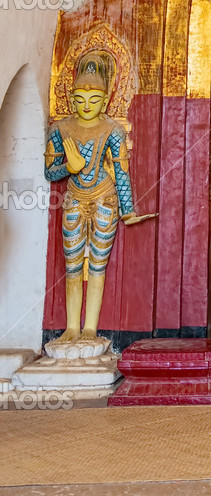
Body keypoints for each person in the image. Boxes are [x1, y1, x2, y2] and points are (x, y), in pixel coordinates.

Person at [45, 50, 150, 342]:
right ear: (72, 98)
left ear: (105, 100)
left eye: (93, 100)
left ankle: (90, 327)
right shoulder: (61, 129)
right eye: (79, 100)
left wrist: (127, 209)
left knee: (98, 265)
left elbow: (121, 173)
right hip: (74, 199)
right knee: (72, 265)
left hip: (105, 198)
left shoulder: (112, 130)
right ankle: (72, 327)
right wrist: (69, 167)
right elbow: (49, 172)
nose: (86, 105)